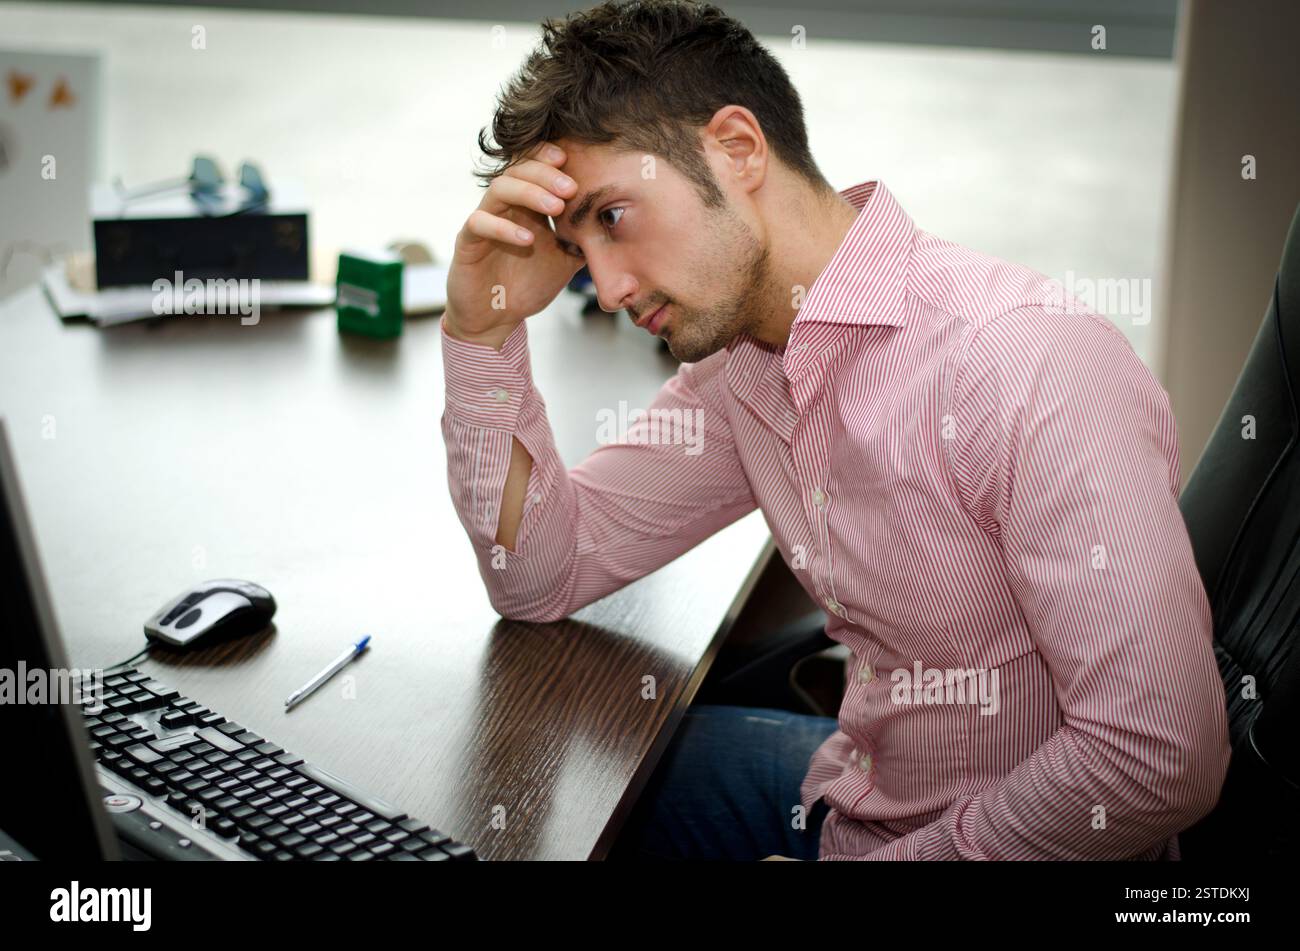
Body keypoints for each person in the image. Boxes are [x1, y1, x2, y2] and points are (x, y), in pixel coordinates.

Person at [438, 0, 1229, 860]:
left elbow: (1157, 759)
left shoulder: (1025, 362)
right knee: (512, 792)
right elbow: (542, 574)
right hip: (858, 789)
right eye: (577, 247)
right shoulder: (744, 366)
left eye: (613, 217)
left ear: (737, 148)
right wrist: (483, 330)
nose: (607, 288)